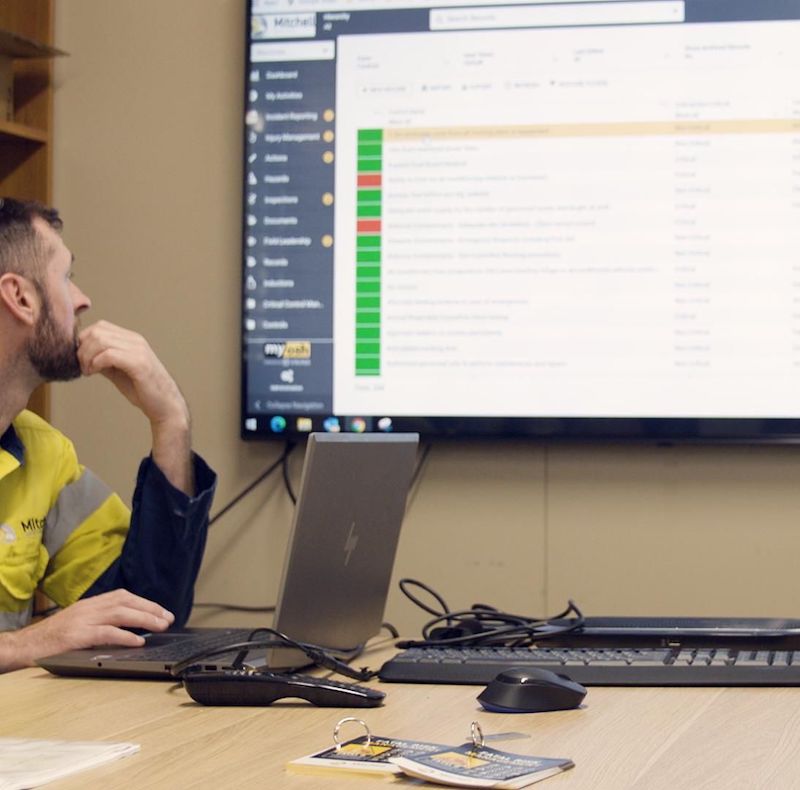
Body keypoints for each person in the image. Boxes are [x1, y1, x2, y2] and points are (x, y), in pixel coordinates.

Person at [0, 198, 216, 672]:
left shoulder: (44, 454)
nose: (82, 300)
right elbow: (48, 638)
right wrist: (29, 643)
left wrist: (170, 422)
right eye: (65, 278)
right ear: (20, 297)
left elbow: (146, 615)